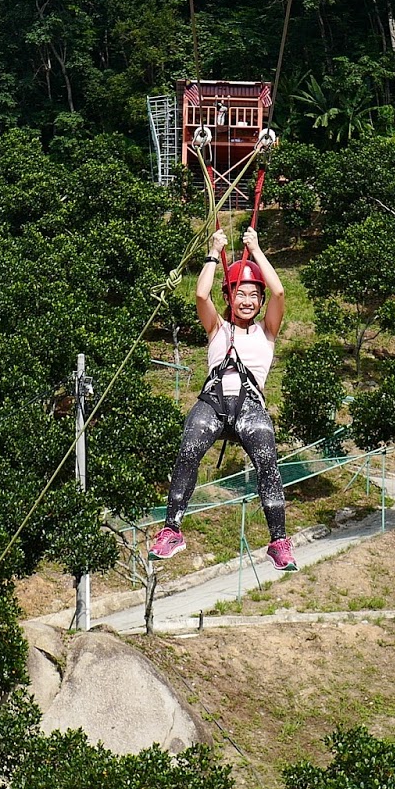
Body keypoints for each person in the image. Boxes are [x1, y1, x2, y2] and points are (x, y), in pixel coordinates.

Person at [149, 226, 295, 571]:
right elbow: (201, 296)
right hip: (213, 403)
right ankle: (172, 529)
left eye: (253, 296)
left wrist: (256, 249)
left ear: (259, 302)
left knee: (266, 459)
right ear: (229, 298)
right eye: (240, 294)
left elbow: (279, 291)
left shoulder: (266, 332)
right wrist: (213, 253)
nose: (247, 301)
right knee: (189, 448)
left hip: (249, 407)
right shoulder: (217, 327)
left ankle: (278, 540)